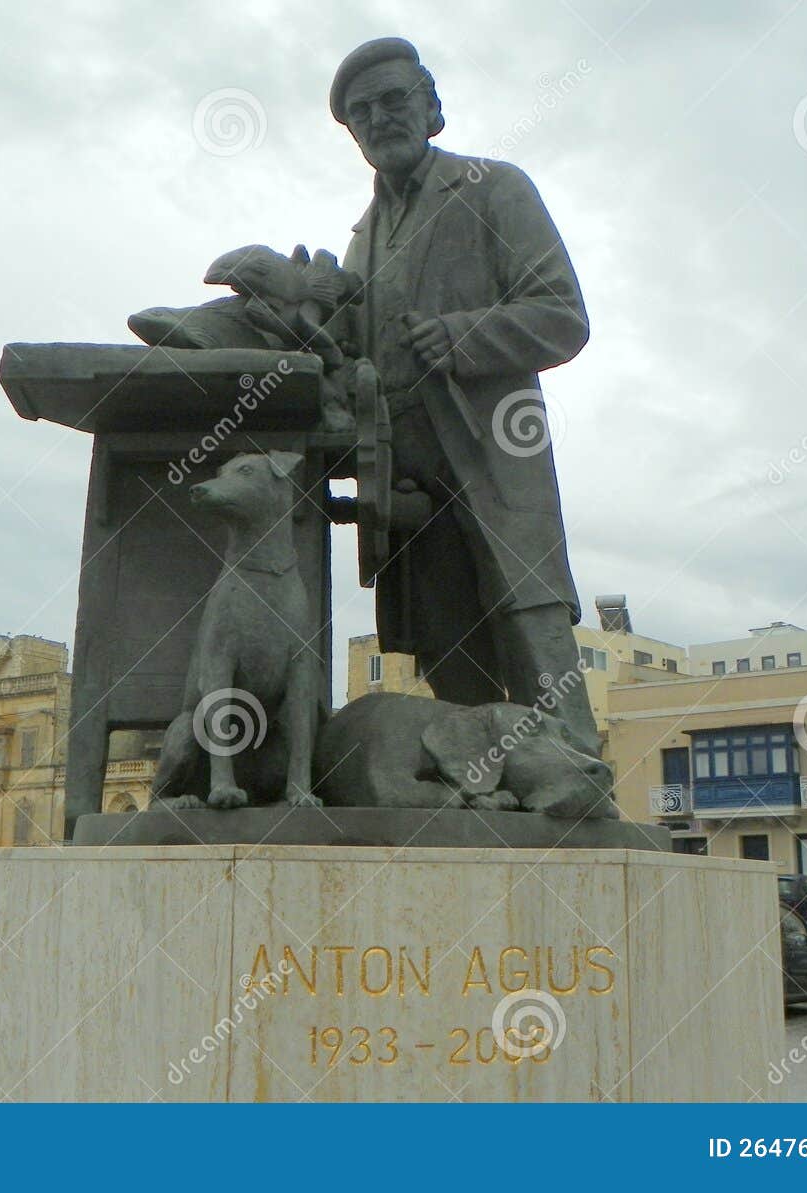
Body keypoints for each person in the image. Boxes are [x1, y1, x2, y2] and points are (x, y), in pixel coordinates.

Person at [331, 37, 601, 754]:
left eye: (394, 100)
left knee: (530, 621)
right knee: (447, 646)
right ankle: (493, 787)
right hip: (408, 482)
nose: (380, 118)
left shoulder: (493, 187)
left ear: (432, 106)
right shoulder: (360, 243)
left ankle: (579, 780)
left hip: (490, 453)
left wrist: (459, 336)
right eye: (363, 112)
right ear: (352, 134)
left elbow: (563, 316)